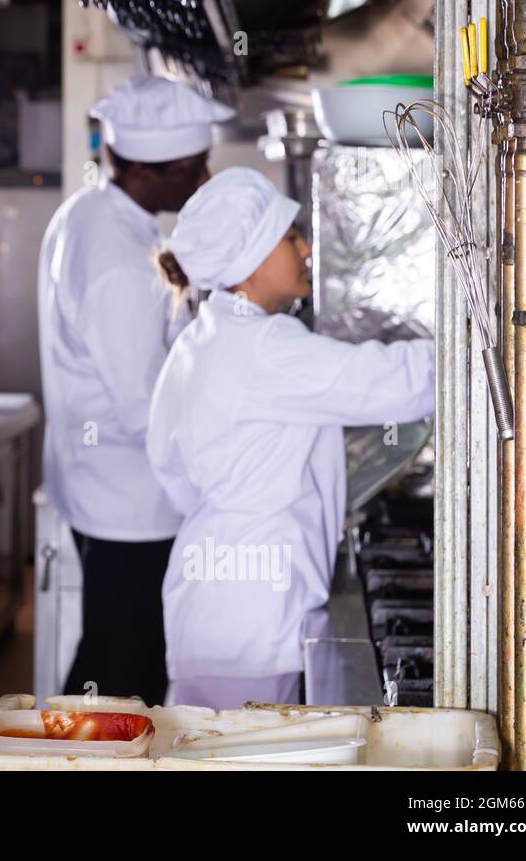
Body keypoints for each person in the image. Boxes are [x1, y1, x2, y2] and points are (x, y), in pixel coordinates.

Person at [147, 167, 435, 710]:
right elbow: (389, 382)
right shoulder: (265, 346)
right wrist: (483, 345)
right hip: (252, 619)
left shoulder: (203, 338)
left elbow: (174, 480)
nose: (306, 250)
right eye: (291, 237)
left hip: (210, 607)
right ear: (251, 260)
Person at [37, 75, 232, 707]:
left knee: (122, 669)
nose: (203, 181)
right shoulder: (116, 255)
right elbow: (142, 406)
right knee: (118, 680)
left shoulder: (102, 213)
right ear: (149, 172)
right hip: (128, 505)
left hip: (106, 489)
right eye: (193, 169)